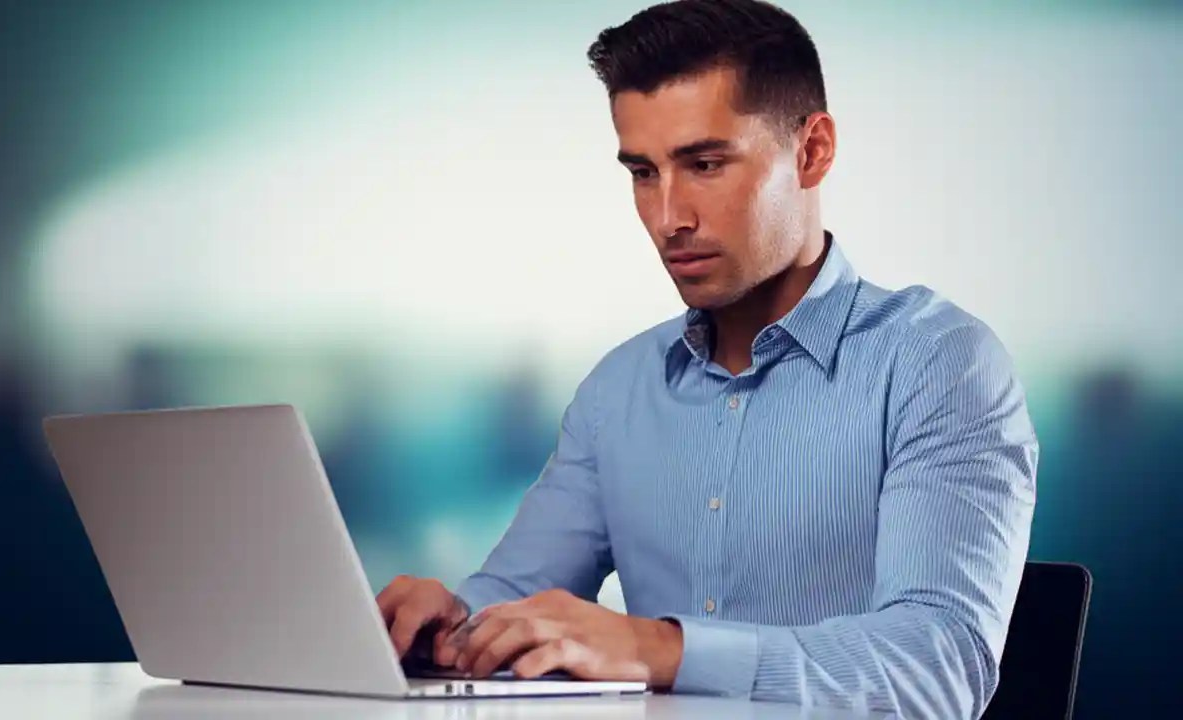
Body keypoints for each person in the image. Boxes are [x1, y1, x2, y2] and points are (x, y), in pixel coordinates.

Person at [374, 1, 1037, 716]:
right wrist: (447, 627)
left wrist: (659, 649)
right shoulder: (618, 390)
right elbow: (511, 603)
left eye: (705, 164)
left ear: (811, 152)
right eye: (642, 172)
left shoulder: (938, 363)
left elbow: (940, 668)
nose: (668, 217)